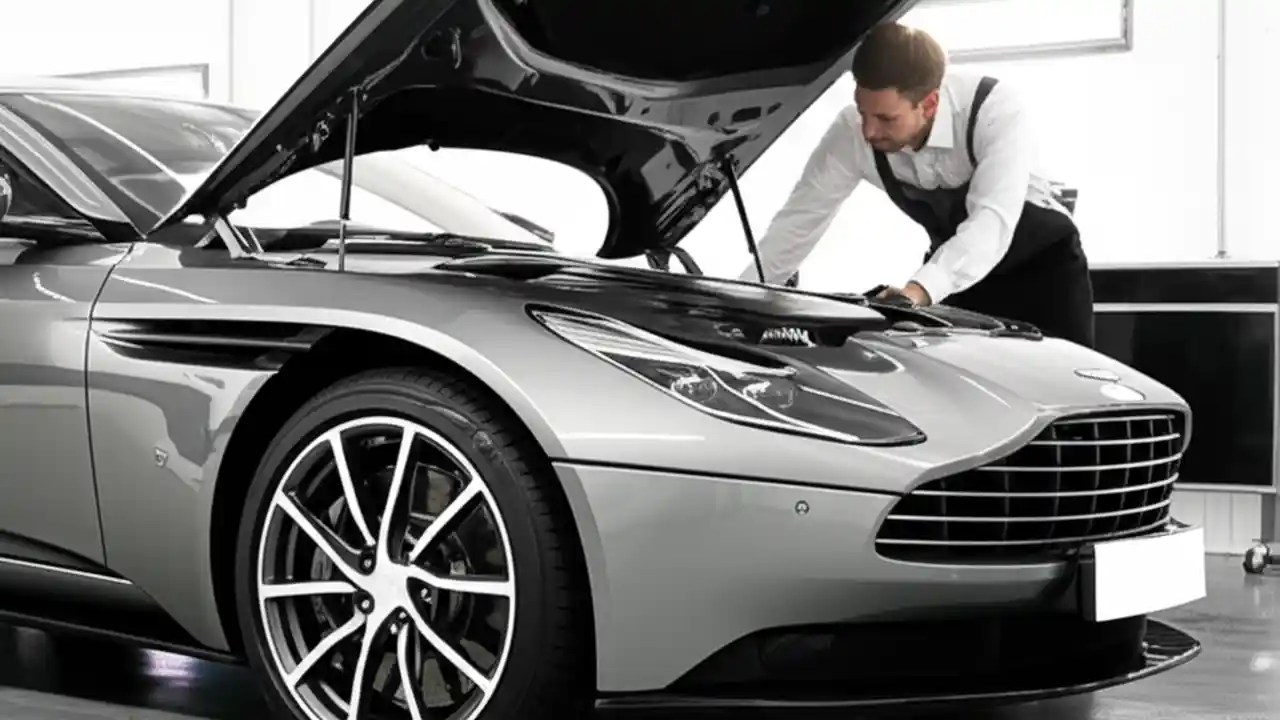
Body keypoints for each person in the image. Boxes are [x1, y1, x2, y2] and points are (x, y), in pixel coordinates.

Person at [739, 22, 1094, 348]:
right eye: (863, 111)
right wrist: (740, 300)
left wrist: (915, 291)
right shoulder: (852, 132)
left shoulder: (995, 109)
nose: (869, 131)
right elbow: (798, 222)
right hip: (956, 278)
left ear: (930, 103)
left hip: (1045, 271)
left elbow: (991, 225)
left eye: (886, 118)